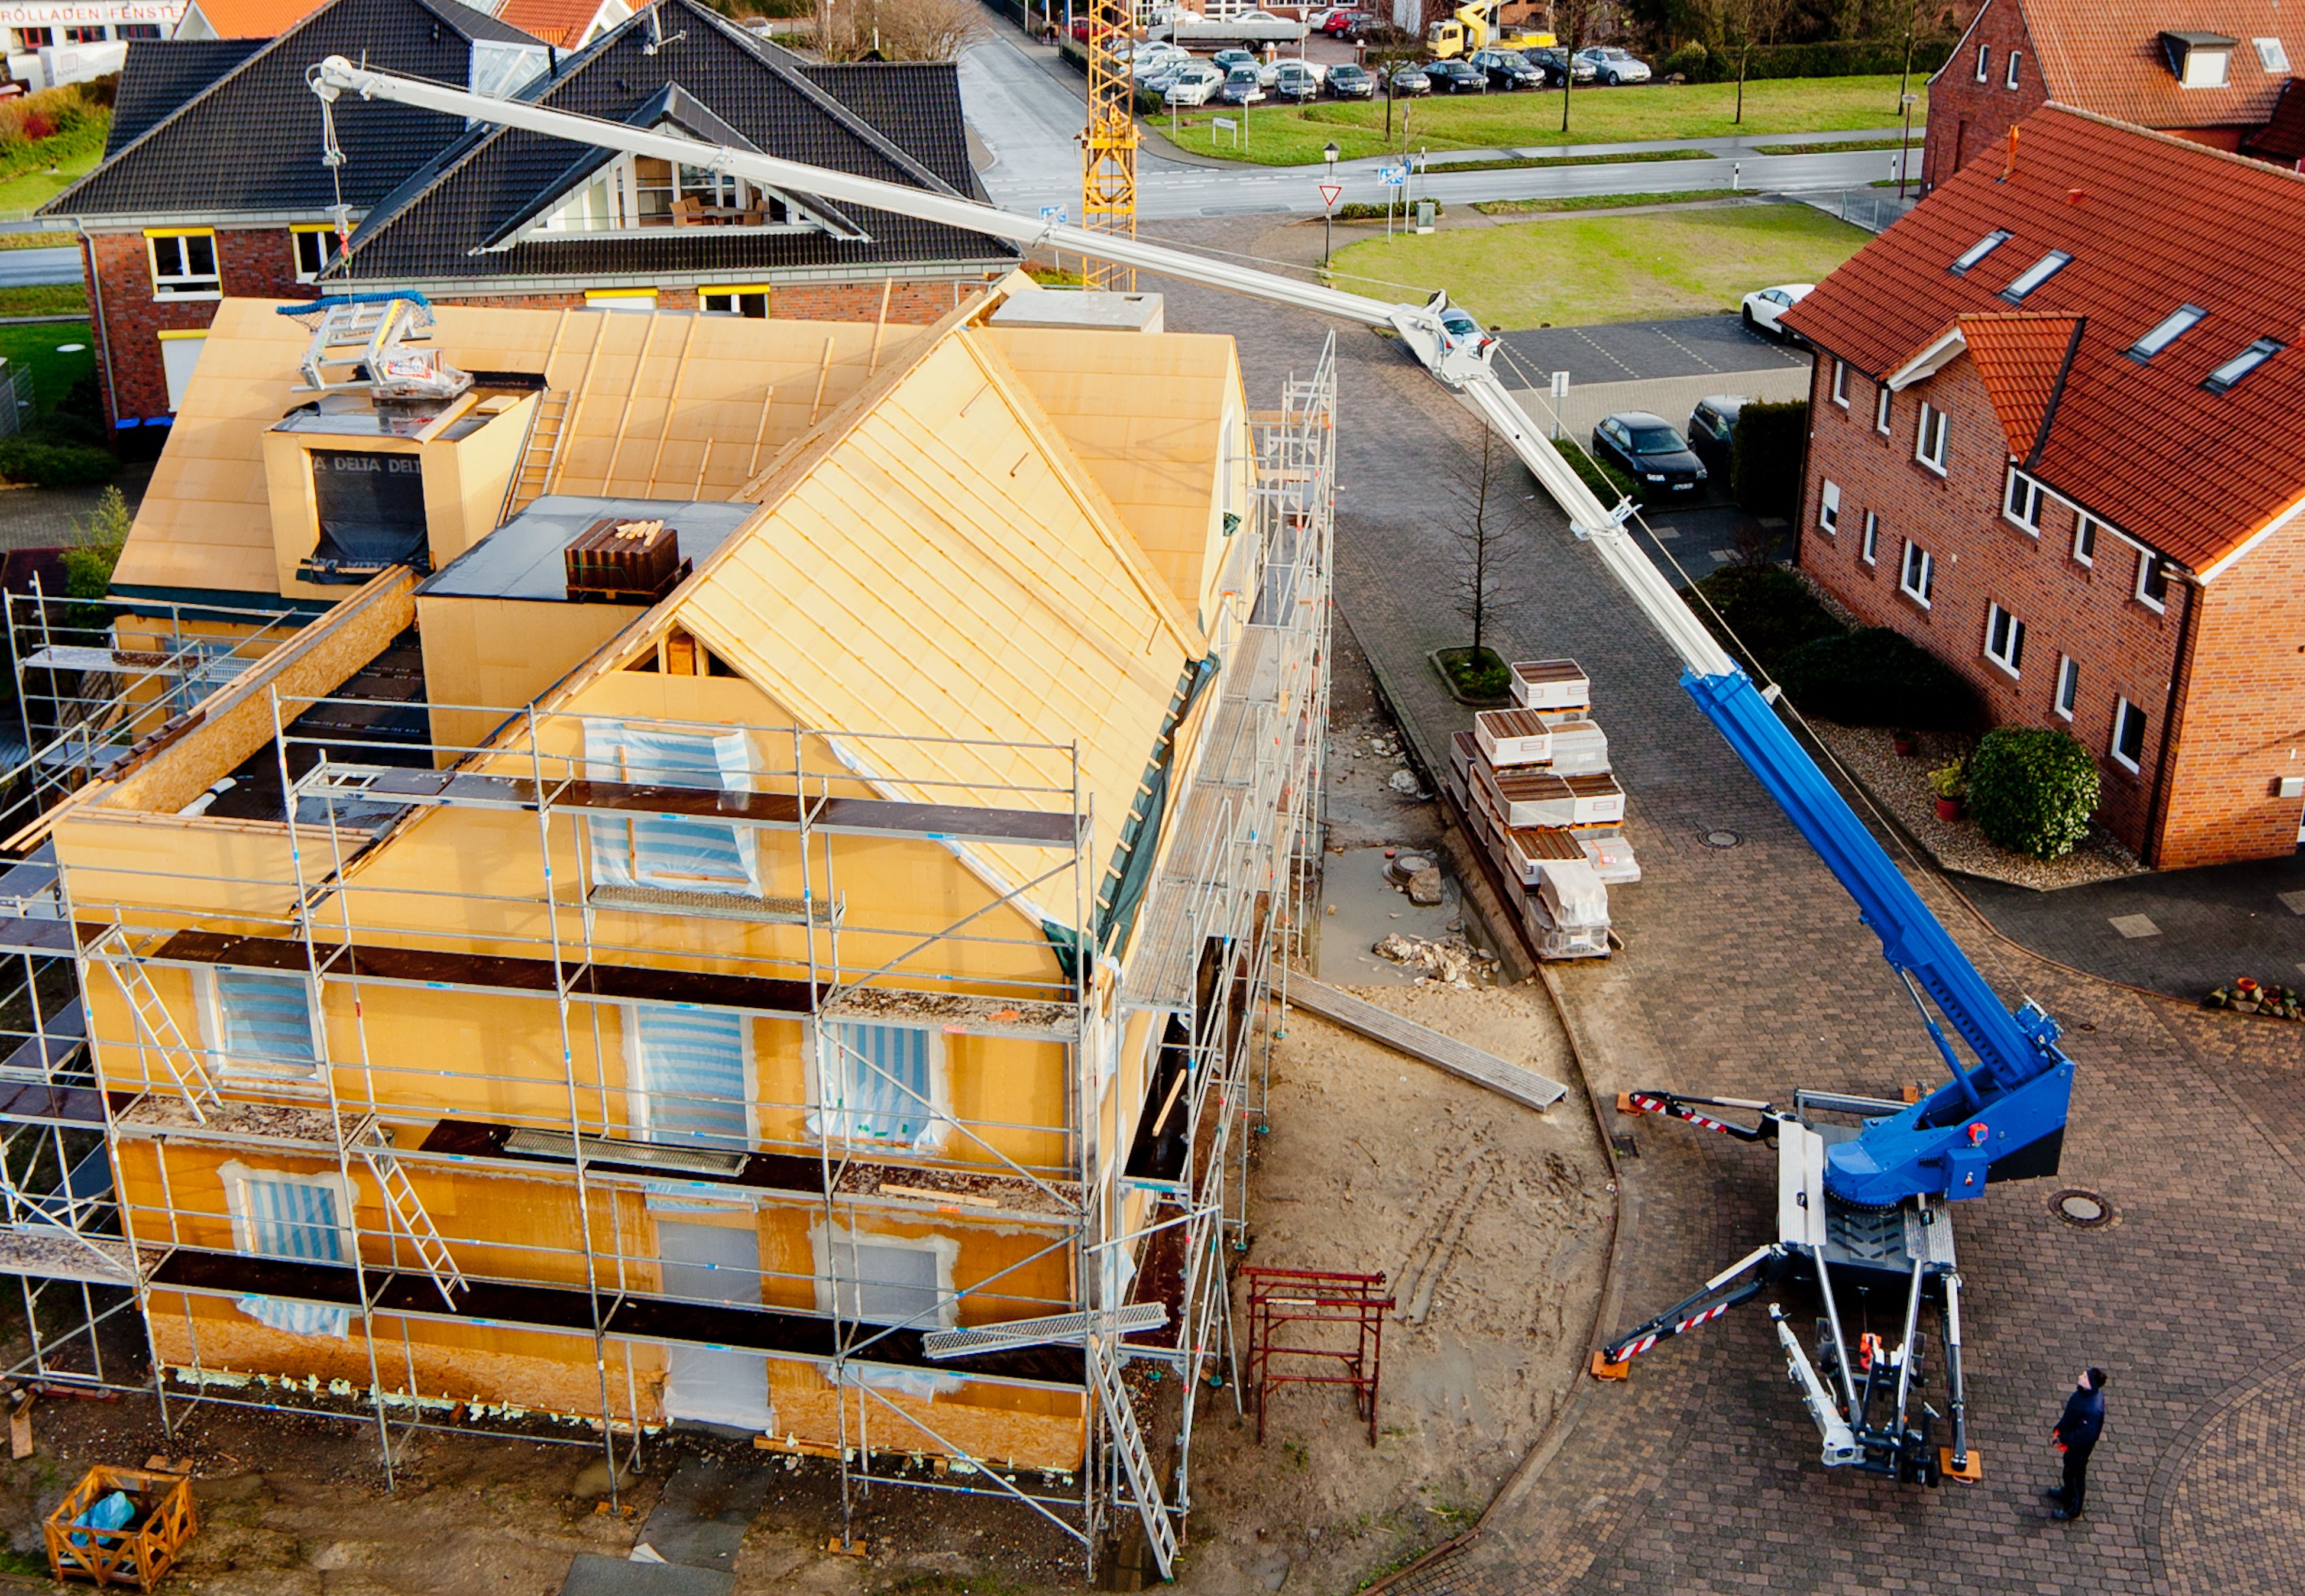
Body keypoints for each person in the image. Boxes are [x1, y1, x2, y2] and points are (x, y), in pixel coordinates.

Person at [2045, 1367, 2109, 1520]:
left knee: (2076, 1475)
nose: (2081, 1377)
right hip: (2074, 1444)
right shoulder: (2085, 1394)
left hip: (2080, 1449)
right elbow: (2071, 1415)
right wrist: (2061, 1429)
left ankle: (2073, 1509)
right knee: (2069, 1469)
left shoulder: (2092, 1409)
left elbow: (2084, 1435)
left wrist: (2064, 1439)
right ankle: (2067, 1492)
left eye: (2085, 1377)